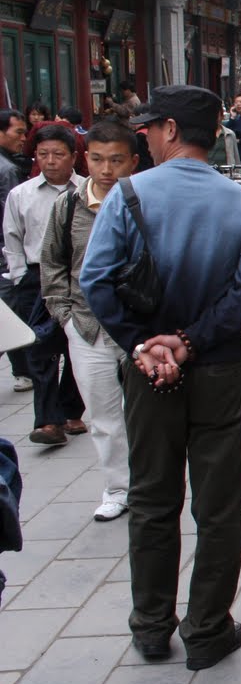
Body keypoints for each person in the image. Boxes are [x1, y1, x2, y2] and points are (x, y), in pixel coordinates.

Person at [79, 84, 241, 671]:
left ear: (166, 130)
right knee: (219, 509)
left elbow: (97, 280)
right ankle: (208, 629)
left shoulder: (129, 195)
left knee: (153, 499)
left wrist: (145, 344)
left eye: (148, 129)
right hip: (221, 370)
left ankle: (152, 627)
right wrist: (188, 343)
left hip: (146, 372)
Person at [41, 119, 136, 521]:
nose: (106, 169)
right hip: (85, 325)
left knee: (144, 413)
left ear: (133, 161)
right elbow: (52, 264)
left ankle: (150, 483)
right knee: (102, 415)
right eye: (97, 159)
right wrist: (64, 315)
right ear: (86, 158)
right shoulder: (68, 206)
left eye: (116, 160)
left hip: (137, 326)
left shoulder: (142, 202)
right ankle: (117, 488)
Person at [4, 125, 86, 445]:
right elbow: (12, 238)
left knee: (77, 344)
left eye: (58, 154)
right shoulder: (21, 195)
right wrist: (19, 275)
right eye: (43, 154)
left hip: (77, 275)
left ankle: (70, 410)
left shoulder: (86, 191)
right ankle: (47, 420)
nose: (50, 161)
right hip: (36, 277)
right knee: (40, 349)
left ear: (73, 157)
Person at [0, 111, 34, 392]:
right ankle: (23, 370)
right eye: (19, 132)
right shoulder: (8, 170)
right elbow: (14, 219)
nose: (24, 138)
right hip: (5, 253)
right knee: (12, 312)